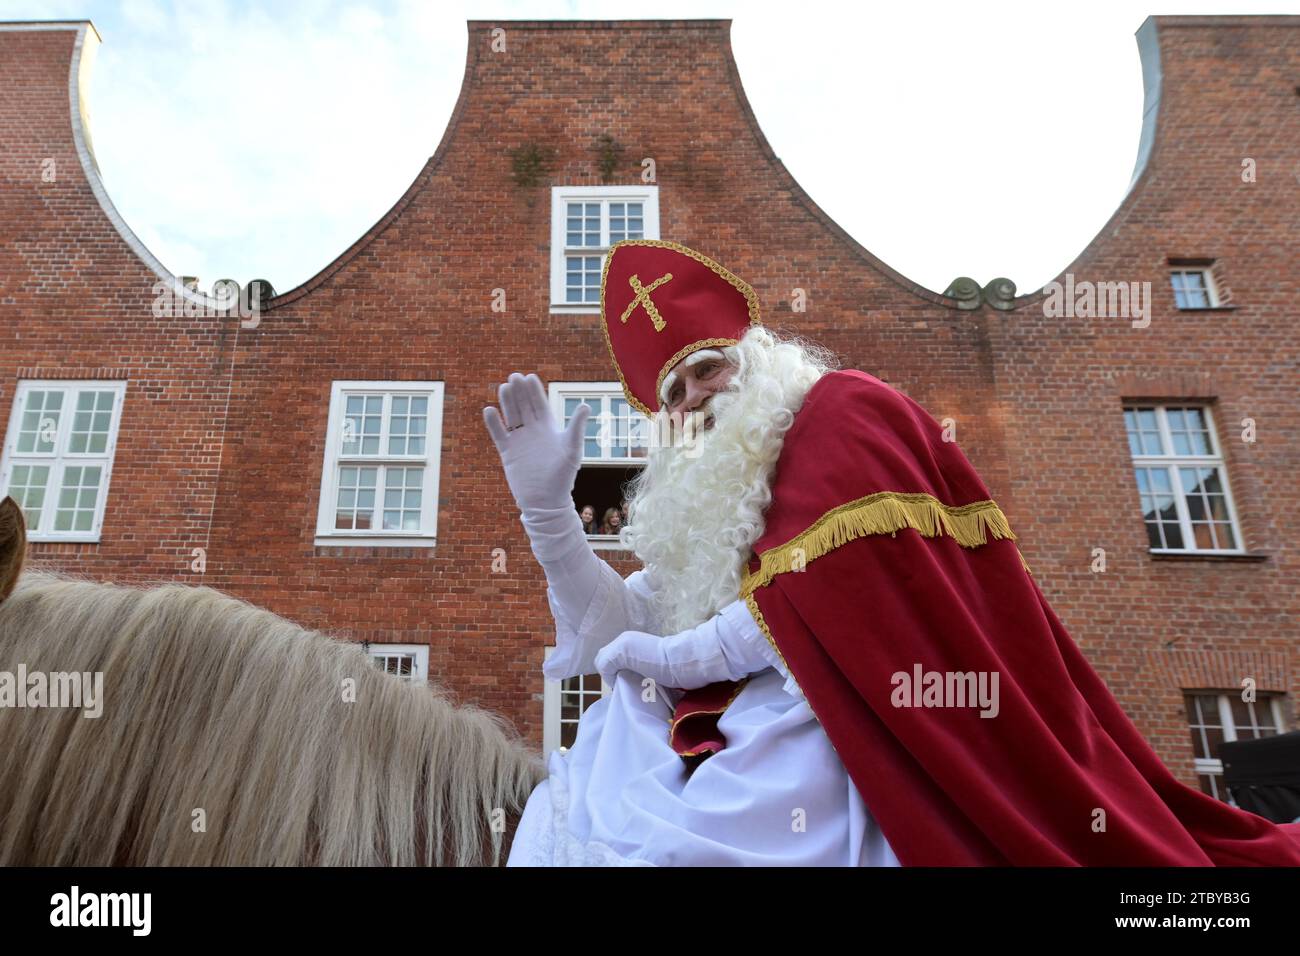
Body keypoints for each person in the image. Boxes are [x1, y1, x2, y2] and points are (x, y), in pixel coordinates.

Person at [484, 238, 1300, 866]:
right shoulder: (703, 507)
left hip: (839, 710)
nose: (696, 398)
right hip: (714, 726)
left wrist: (679, 656)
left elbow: (849, 595)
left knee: (707, 834)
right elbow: (611, 630)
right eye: (674, 394)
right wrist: (549, 517)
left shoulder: (841, 412)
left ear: (752, 356)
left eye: (706, 368)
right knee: (588, 788)